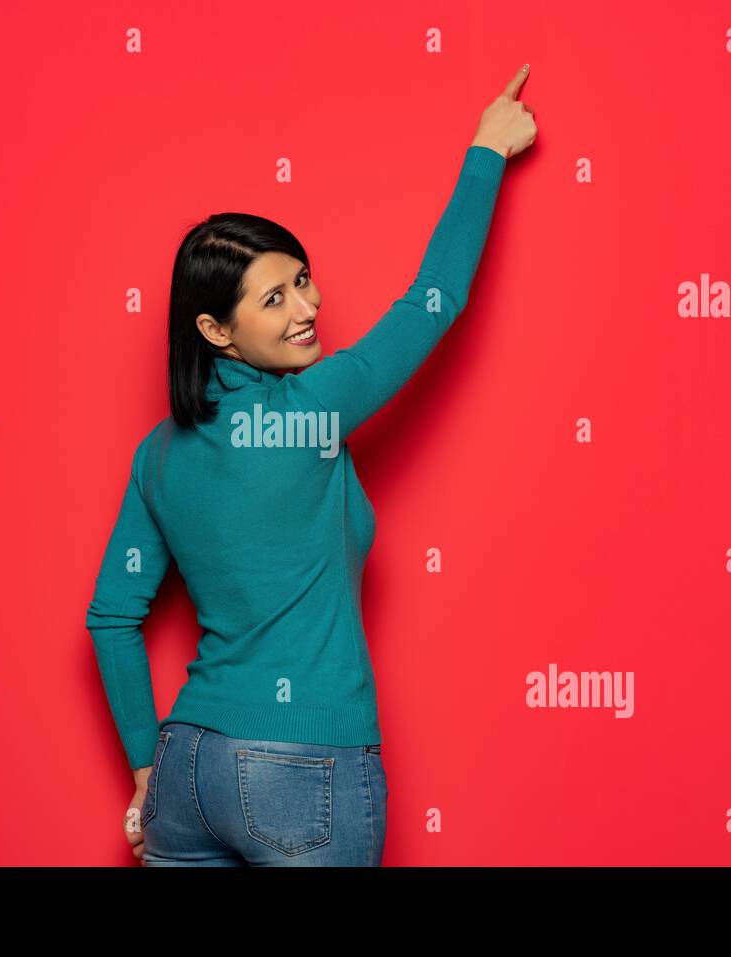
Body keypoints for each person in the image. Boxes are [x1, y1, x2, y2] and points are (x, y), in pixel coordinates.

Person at [85, 64, 537, 866]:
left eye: (301, 280)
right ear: (216, 331)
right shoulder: (312, 412)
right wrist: (487, 150)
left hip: (189, 769)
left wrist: (147, 768)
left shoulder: (157, 453)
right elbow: (436, 299)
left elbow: (112, 616)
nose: (307, 307)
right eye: (273, 300)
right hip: (303, 766)